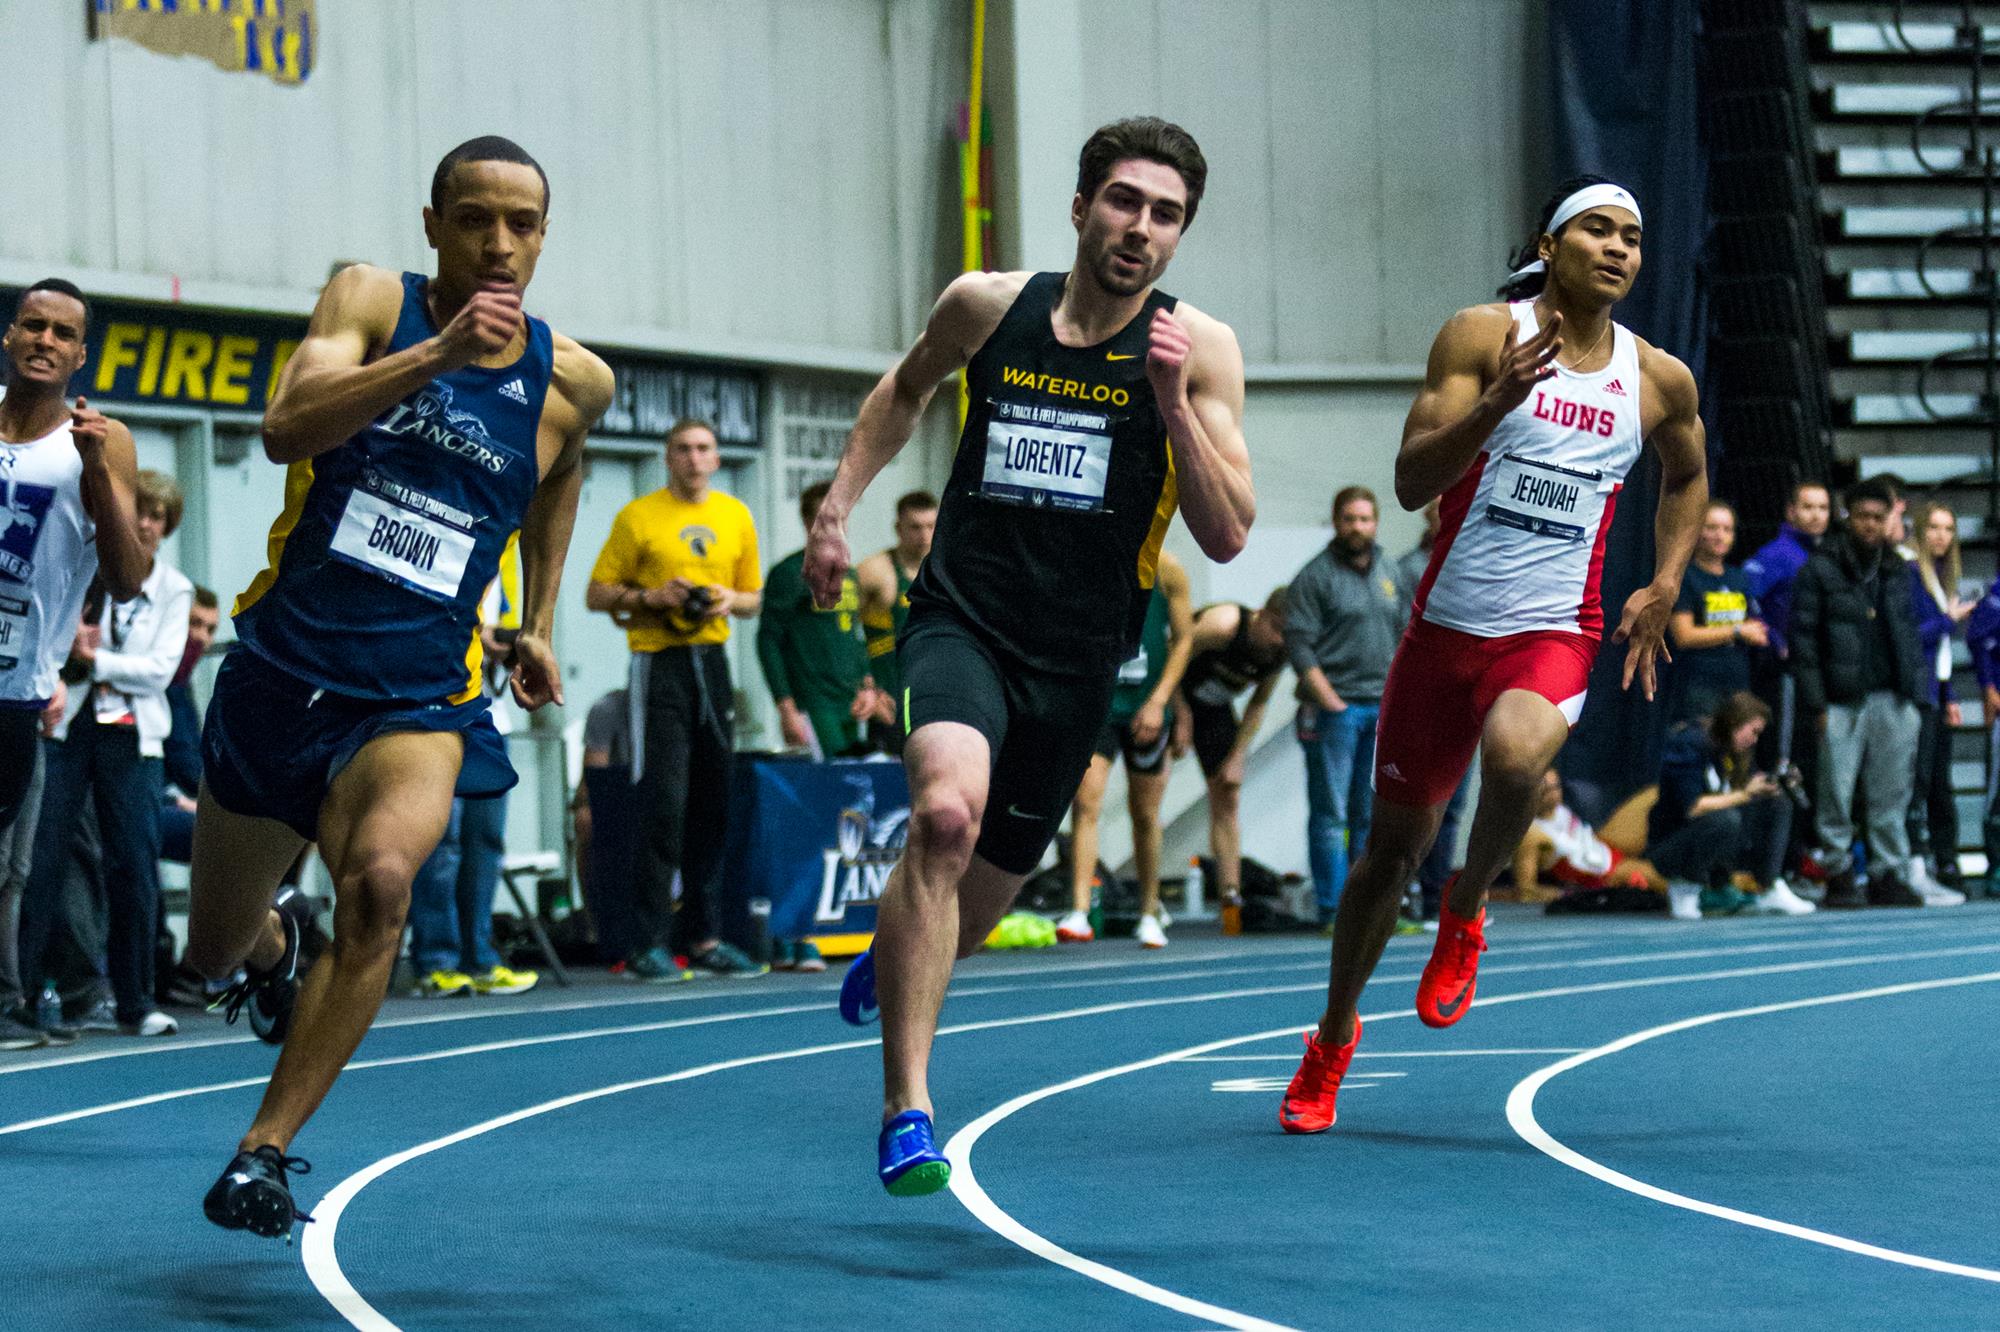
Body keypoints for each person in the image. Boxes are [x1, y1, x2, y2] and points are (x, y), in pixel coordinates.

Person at [807, 117, 1252, 1194]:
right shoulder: (986, 305)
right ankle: (906, 1110)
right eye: (1121, 202)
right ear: (1079, 208)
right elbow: (904, 388)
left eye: (1163, 215)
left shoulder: (1200, 349)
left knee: (976, 909)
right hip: (961, 618)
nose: (1138, 228)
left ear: (1178, 235)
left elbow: (1228, 530)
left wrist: (1168, 407)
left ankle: (895, 952)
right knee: (944, 816)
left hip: (1080, 658)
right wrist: (835, 508)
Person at [186, 136, 614, 1239]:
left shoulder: (574, 379)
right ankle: (272, 949)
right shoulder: (372, 299)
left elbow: (555, 473)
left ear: (544, 234)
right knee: (207, 953)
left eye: (522, 224)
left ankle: (264, 1154)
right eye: (476, 219)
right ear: (433, 224)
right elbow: (285, 426)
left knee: (380, 884)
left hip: (420, 694)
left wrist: (537, 614)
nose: (500, 244)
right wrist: (435, 359)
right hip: (283, 672)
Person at [1280, 176, 1707, 1135]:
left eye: (1633, 237)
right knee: (1388, 855)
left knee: (1518, 756)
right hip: (1443, 637)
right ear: (1547, 245)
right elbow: (1408, 481)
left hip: (1557, 628)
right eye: (1598, 229)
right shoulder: (1482, 337)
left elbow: (1688, 477)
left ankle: (1468, 904)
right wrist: (1494, 407)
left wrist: (1667, 582)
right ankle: (1334, 1035)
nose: (1619, 248)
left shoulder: (1656, 378)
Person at [0, 278, 148, 1046]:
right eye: (33, 325)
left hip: (14, 691)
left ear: (80, 354)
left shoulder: (100, 438)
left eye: (62, 333)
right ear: (10, 335)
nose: (45, 340)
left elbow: (126, 578)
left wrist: (94, 473)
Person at [586, 417, 766, 981]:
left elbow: (754, 599)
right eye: (683, 449)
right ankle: (647, 942)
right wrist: (653, 596)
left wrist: (726, 599)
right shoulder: (637, 517)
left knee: (713, 803)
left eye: (704, 449)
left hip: (712, 665)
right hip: (657, 663)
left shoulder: (735, 515)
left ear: (717, 459)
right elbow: (596, 593)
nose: (694, 458)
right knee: (664, 803)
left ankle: (706, 936)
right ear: (668, 458)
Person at [18, 469, 193, 1038]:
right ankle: (21, 996)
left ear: (166, 529)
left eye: (156, 517)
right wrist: (74, 659)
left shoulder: (174, 590)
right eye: (138, 511)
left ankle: (137, 1001)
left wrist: (96, 662)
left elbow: (159, 672)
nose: (143, 524)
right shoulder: (85, 570)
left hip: (133, 739)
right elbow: (52, 643)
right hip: (72, 730)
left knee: (133, 867)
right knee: (41, 861)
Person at [407, 538, 542, 996]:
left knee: (485, 839)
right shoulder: (442, 533)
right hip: (436, 710)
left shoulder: (508, 549)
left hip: (489, 714)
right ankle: (436, 960)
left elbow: (503, 624)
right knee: (441, 841)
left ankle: (479, 956)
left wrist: (508, 644)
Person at [1790, 477, 1926, 910]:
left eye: (1878, 517)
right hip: (1840, 699)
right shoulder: (1820, 568)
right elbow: (1804, 640)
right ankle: (1838, 871)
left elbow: (1910, 634)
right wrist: (1816, 703)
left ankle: (1889, 872)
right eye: (1862, 516)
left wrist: (1915, 694)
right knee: (1836, 791)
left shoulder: (1898, 570)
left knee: (1892, 793)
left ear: (1890, 519)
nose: (1870, 524)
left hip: (1893, 696)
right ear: (1849, 518)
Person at [1056, 549, 1194, 948]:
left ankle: (1149, 911)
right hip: (1099, 705)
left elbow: (1184, 640)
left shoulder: (1169, 569)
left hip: (1147, 705)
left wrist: (1160, 700)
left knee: (1146, 813)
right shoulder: (1090, 559)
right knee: (1085, 804)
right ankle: (1079, 910)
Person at [1287, 485, 1412, 925]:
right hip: (1335, 712)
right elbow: (1299, 645)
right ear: (1336, 522)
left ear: (1375, 523)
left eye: (1365, 519)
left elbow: (1403, 634)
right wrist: (1332, 703)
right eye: (1349, 519)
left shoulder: (1389, 569)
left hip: (1380, 710)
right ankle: (1333, 910)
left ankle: (1367, 911)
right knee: (1330, 815)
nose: (1357, 527)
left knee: (1368, 817)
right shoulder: (1314, 577)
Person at [1173, 588, 1289, 929]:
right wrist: (1179, 714)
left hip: (1213, 709)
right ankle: (1150, 903)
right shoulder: (1223, 625)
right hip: (1171, 690)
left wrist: (1238, 756)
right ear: (1261, 614)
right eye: (1277, 631)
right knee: (1152, 783)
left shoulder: (1280, 653)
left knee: (1228, 793)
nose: (1280, 642)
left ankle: (1230, 896)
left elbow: (1258, 704)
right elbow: (1173, 655)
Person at [1648, 692, 1814, 919]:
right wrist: (1746, 794)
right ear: (1735, 722)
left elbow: (1747, 788)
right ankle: (1684, 885)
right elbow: (1693, 806)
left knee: (1777, 803)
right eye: (1753, 731)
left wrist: (1773, 783)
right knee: (1726, 819)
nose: (1754, 739)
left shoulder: (1734, 752)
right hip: (1672, 845)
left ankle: (1769, 885)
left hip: (1718, 839)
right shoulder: (1690, 743)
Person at [758, 480, 884, 759]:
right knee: (833, 779)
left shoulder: (849, 572)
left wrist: (867, 684)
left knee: (858, 782)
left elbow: (854, 634)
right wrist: (786, 707)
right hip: (814, 701)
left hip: (852, 699)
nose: (836, 526)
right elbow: (767, 641)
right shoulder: (790, 572)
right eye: (826, 519)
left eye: (841, 518)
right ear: (808, 522)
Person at [1743, 480, 1831, 846]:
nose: (1815, 515)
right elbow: (1744, 596)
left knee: (1805, 761)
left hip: (1811, 673)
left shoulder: (1820, 556)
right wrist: (1776, 643)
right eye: (1807, 507)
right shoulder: (1777, 554)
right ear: (1791, 512)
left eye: (1823, 508)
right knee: (1783, 763)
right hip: (1783, 677)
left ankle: (1795, 856)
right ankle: (1775, 864)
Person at [1400, 501, 1470, 923]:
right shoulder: (1407, 568)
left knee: (1453, 809)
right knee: (1416, 805)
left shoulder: (1476, 558)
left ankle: (1434, 901)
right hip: (1423, 696)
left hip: (1465, 695)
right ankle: (1404, 894)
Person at [1906, 501, 1971, 901]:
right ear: (1920, 531)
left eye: (1948, 528)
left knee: (1940, 785)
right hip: (1918, 693)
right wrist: (1948, 619)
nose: (1941, 536)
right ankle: (1919, 861)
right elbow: (1913, 636)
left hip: (1937, 692)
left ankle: (1946, 860)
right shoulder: (1913, 575)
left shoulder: (1946, 577)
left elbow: (1942, 650)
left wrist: (1950, 695)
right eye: (1933, 527)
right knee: (1920, 781)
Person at [1665, 500, 1766, 726]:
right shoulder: (1687, 577)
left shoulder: (1739, 577)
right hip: (1698, 686)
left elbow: (1751, 623)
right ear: (1698, 531)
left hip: (1738, 683)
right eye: (1712, 528)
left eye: (1727, 529)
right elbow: (1684, 636)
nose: (1720, 535)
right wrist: (1738, 631)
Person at [856, 490, 937, 752]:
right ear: (898, 528)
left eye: (930, 526)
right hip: (888, 696)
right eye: (915, 527)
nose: (924, 536)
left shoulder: (946, 572)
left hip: (933, 692)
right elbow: (842, 632)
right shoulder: (875, 572)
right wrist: (864, 683)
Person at [1513, 767, 1665, 900]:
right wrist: (1566, 895)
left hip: (1602, 845)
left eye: (1557, 786)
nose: (1554, 793)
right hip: (1604, 876)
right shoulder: (1532, 834)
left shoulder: (1559, 810)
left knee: (1653, 793)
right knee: (1658, 875)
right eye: (1547, 789)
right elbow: (1527, 891)